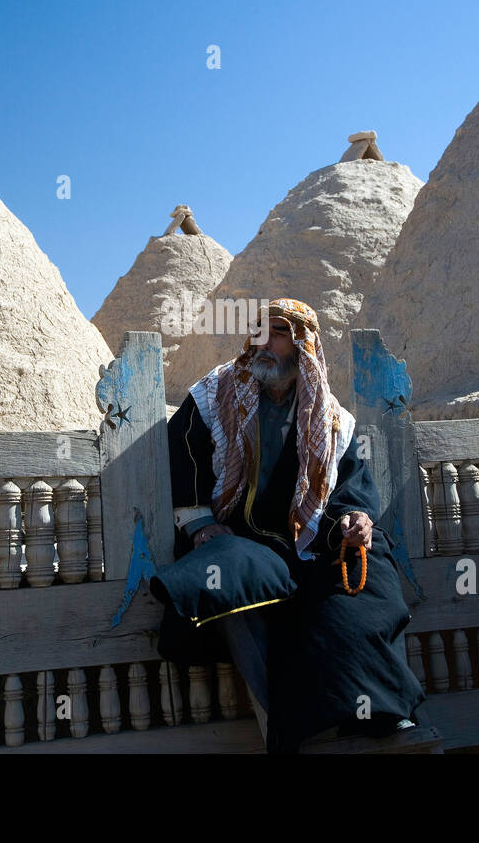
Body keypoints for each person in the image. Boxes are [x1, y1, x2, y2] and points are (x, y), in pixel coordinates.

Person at [161, 297, 424, 752]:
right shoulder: (214, 391)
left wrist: (354, 519)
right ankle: (291, 729)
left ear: (303, 345)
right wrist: (200, 523)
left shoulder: (332, 418)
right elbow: (183, 452)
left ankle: (385, 709)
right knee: (228, 579)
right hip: (238, 538)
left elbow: (350, 485)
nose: (263, 341)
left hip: (308, 544)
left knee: (370, 567)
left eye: (278, 333)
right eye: (259, 330)